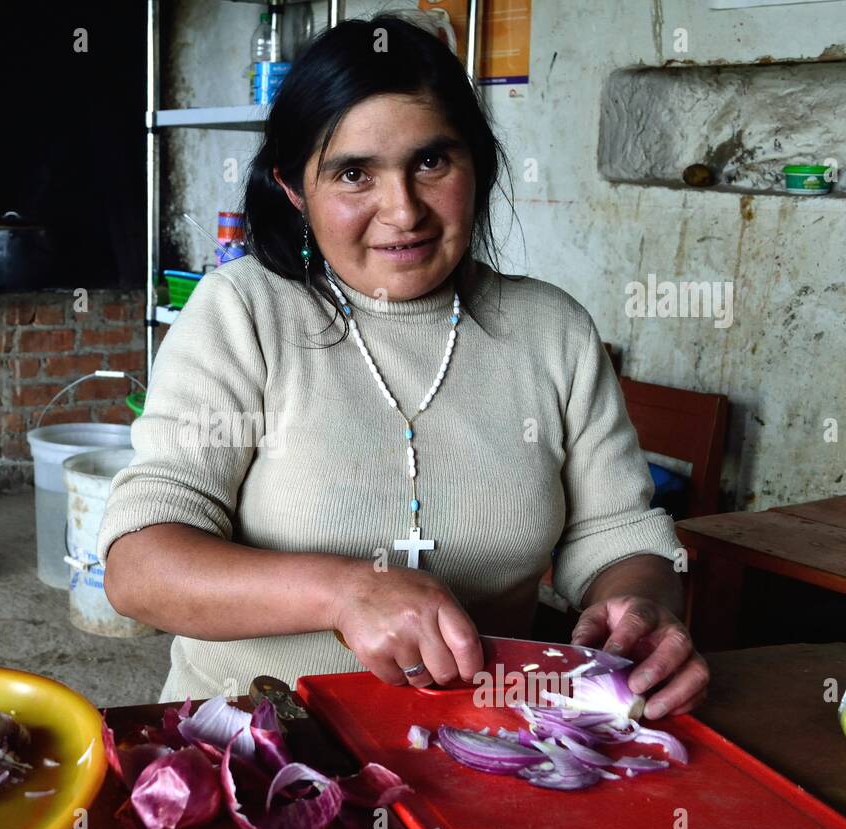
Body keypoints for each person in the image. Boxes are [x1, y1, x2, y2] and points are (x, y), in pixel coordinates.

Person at [98, 14, 709, 719]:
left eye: (431, 162)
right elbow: (140, 568)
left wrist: (641, 610)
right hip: (259, 740)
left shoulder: (550, 329)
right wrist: (344, 592)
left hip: (489, 739)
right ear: (295, 189)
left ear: (476, 164)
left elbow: (617, 538)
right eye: (354, 173)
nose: (403, 211)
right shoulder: (243, 312)